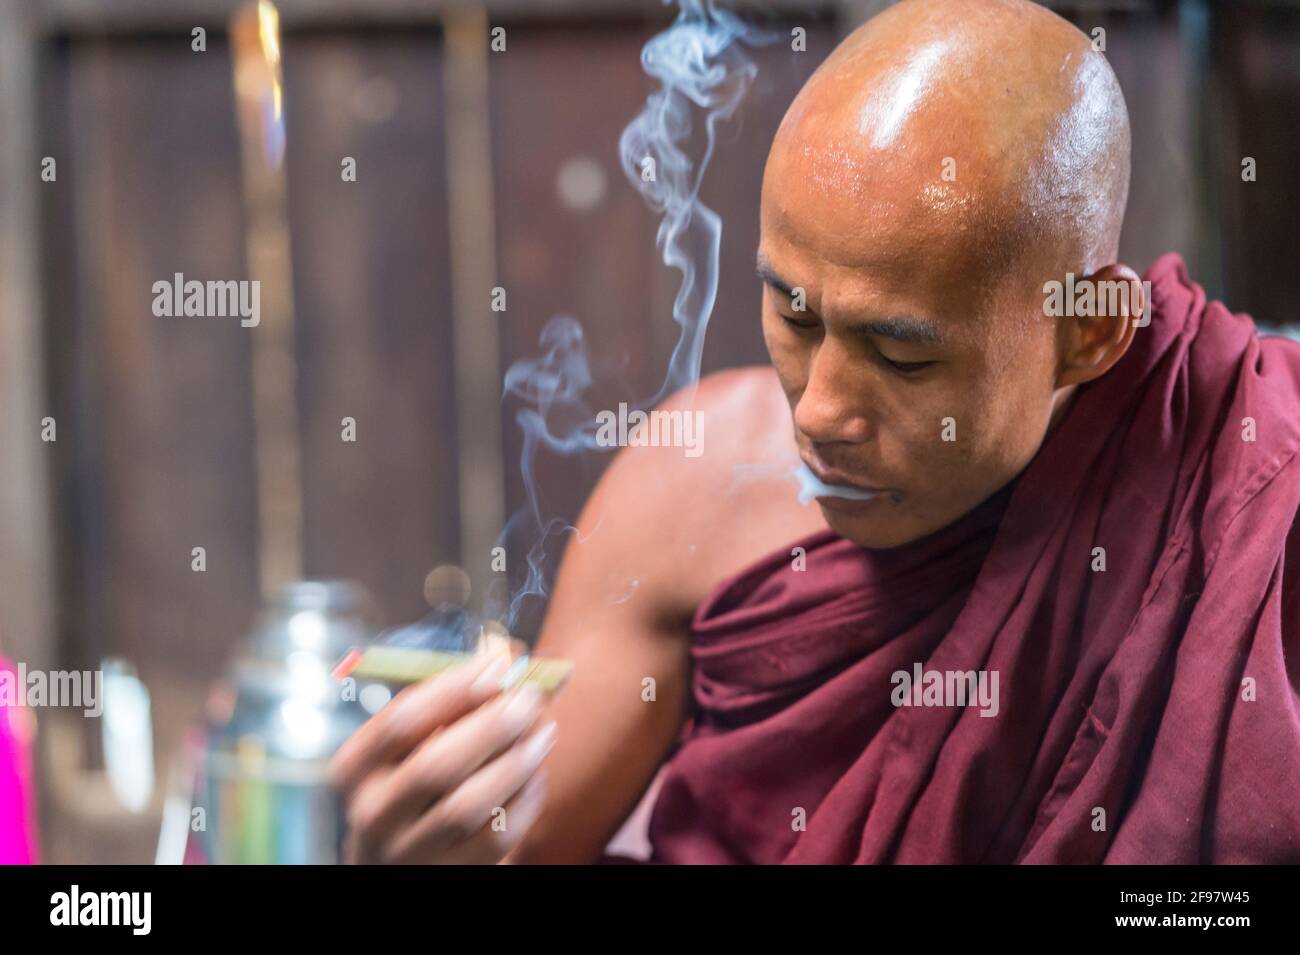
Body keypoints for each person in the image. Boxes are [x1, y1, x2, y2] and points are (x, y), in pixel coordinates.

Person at [328, 0, 1300, 863]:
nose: (819, 412)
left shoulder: (1256, 492)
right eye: (794, 315)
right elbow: (511, 844)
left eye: (901, 353)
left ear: (1084, 331)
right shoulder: (695, 487)